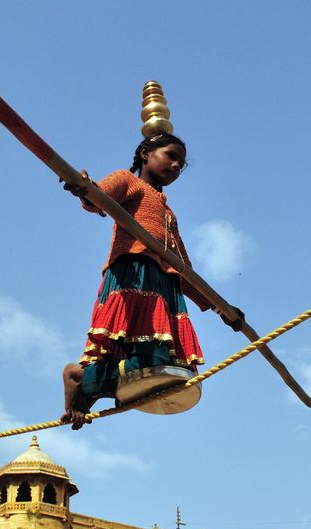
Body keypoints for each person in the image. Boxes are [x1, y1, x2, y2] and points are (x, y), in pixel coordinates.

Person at [60, 133, 242, 428]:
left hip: (164, 287)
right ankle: (82, 379)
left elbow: (184, 270)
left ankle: (86, 384)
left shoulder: (168, 213)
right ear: (145, 153)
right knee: (155, 362)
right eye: (170, 155)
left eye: (181, 164)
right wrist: (83, 188)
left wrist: (222, 309)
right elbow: (100, 199)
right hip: (135, 273)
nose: (175, 165)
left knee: (167, 367)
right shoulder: (128, 181)